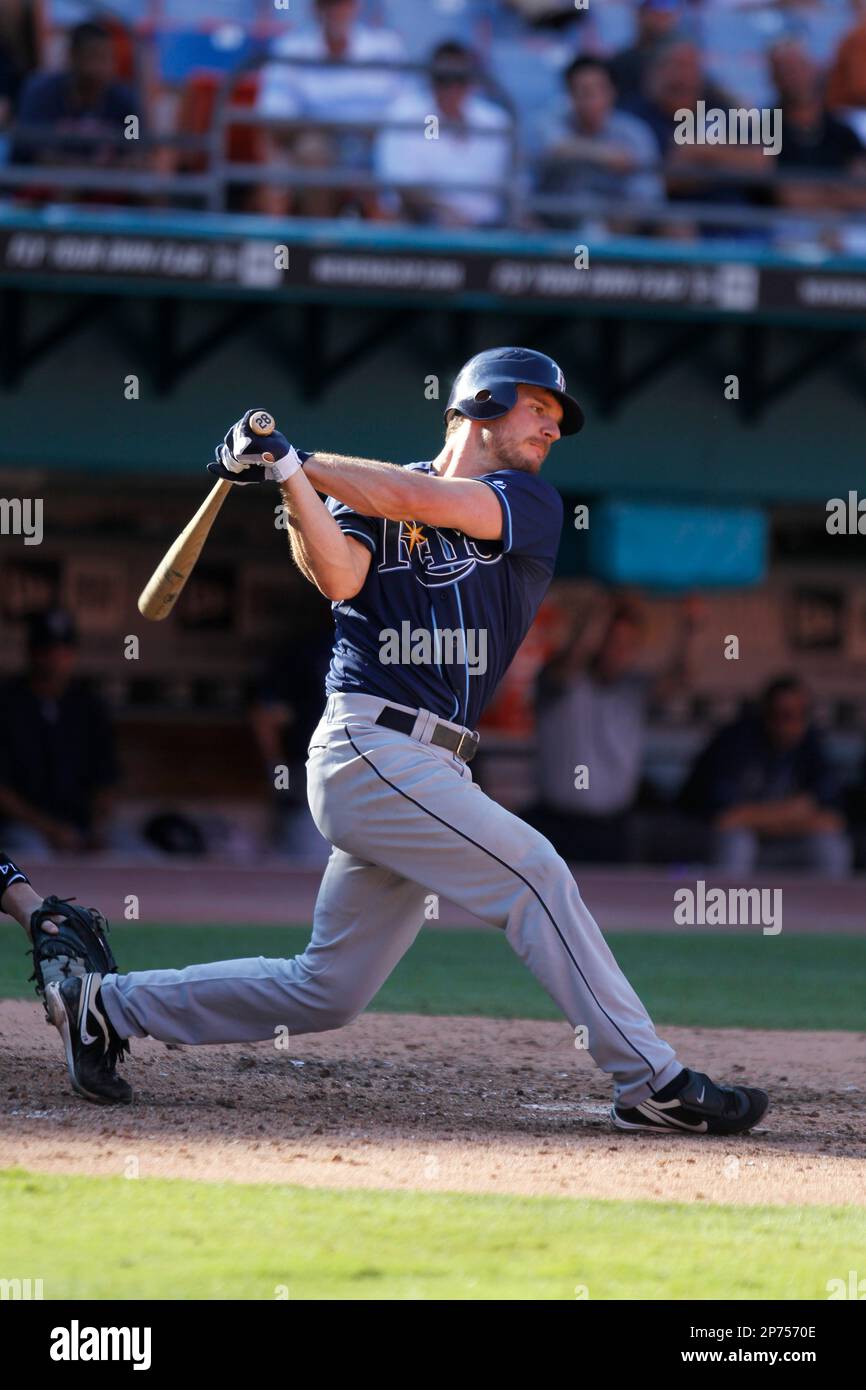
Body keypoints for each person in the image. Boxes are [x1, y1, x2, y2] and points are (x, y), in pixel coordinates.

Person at [43, 351, 769, 1139]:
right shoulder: (367, 497)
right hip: (371, 746)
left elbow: (426, 497)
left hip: (431, 764)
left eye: (556, 422)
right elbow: (340, 576)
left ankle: (102, 1006)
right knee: (535, 876)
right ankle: (651, 1082)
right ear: (482, 404)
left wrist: (300, 460)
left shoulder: (525, 501)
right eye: (539, 411)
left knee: (326, 990)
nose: (551, 430)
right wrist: (291, 484)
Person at [528, 593, 692, 863]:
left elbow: (680, 678)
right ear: (596, 642)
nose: (619, 652)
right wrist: (598, 614)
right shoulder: (561, 682)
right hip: (555, 825)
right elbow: (567, 663)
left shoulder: (635, 690)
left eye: (628, 645)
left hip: (613, 829)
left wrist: (690, 630)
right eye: (613, 642)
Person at [682, 675, 852, 878]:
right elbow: (726, 819)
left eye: (801, 715)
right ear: (766, 714)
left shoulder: (810, 745)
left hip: (784, 847)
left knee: (830, 848)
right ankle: (728, 908)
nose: (793, 724)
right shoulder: (735, 742)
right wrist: (794, 812)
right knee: (738, 843)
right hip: (731, 847)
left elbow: (832, 821)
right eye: (784, 715)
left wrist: (758, 817)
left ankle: (825, 909)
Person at [255, 0, 406, 219]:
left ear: (356, 6)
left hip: (375, 146)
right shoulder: (291, 48)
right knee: (312, 150)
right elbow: (275, 115)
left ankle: (393, 244)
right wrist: (332, 128)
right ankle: (321, 240)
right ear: (315, 8)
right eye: (328, 3)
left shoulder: (387, 48)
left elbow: (408, 113)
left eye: (343, 3)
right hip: (319, 146)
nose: (336, 10)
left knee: (397, 149)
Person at [0, 609, 120, 854]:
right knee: (29, 852)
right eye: (47, 650)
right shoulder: (7, 703)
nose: (55, 659)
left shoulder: (88, 705)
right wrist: (50, 829)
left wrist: (96, 828)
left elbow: (106, 780)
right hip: (23, 828)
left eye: (63, 651)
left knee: (130, 852)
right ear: (31, 652)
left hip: (80, 828)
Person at [375, 42, 513, 229]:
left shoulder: (494, 122)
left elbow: (513, 187)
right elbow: (401, 184)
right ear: (431, 78)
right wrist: (443, 212)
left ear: (473, 80)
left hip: (488, 230)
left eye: (460, 79)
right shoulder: (411, 115)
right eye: (443, 79)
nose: (452, 88)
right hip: (425, 227)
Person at [535, 55, 663, 229]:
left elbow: (649, 191)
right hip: (558, 220)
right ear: (570, 95)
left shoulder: (634, 132)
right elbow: (555, 148)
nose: (592, 99)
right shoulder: (549, 122)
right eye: (584, 91)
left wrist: (622, 218)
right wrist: (605, 155)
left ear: (613, 92)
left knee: (676, 222)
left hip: (621, 220)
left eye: (600, 89)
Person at [11, 20, 138, 169]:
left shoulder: (126, 102)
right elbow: (32, 153)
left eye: (108, 58)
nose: (103, 67)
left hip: (107, 186)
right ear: (73, 57)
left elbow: (136, 150)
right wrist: (86, 169)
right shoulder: (40, 93)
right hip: (50, 185)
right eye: (94, 57)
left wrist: (101, 169)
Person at [608, 0, 685, 105]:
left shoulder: (684, 60)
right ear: (640, 14)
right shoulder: (622, 61)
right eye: (654, 11)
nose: (660, 17)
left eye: (665, 11)